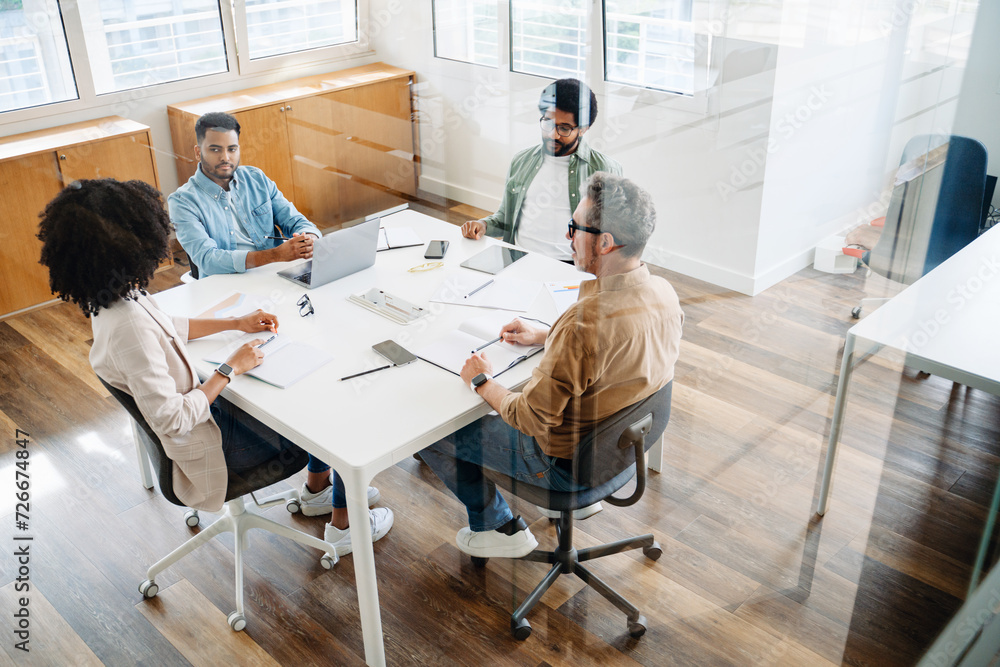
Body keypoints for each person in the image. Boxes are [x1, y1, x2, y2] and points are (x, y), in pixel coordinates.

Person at [38, 178, 392, 557]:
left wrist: (235, 323)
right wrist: (229, 369)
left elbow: (170, 328)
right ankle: (344, 527)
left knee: (305, 387)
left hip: (207, 423)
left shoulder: (117, 298)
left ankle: (319, 491)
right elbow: (173, 419)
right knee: (327, 412)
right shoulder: (128, 326)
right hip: (212, 452)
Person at [420, 173, 683, 558]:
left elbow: (527, 419)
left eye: (575, 227)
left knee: (434, 429)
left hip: (562, 467)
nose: (568, 237)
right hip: (620, 453)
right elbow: (616, 350)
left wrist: (480, 379)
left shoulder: (583, 324)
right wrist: (548, 336)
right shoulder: (663, 292)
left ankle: (499, 526)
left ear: (605, 242)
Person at [460, 79, 623, 262]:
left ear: (583, 129)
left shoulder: (604, 170)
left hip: (572, 266)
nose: (553, 134)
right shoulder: (522, 161)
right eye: (548, 122)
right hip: (518, 257)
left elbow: (613, 236)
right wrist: (483, 225)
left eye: (564, 128)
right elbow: (506, 218)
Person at [169, 112, 321, 278]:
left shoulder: (256, 178)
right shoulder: (182, 202)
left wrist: (310, 239)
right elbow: (208, 259)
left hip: (277, 274)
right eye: (215, 150)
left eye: (232, 149)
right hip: (227, 286)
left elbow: (295, 221)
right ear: (198, 152)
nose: (225, 158)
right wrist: (275, 255)